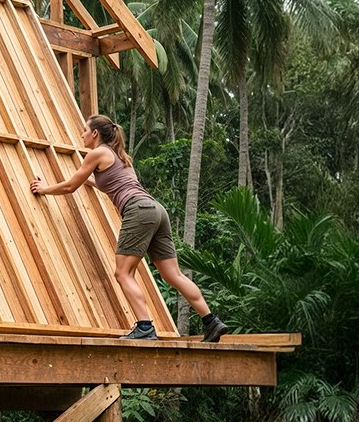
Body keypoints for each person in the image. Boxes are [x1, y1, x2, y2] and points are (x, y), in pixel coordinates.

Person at [30, 114, 229, 342]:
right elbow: (112, 185)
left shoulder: (98, 153)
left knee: (123, 273)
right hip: (155, 209)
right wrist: (88, 180)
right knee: (172, 274)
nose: (81, 134)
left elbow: (70, 187)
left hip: (138, 211)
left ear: (95, 133)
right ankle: (211, 321)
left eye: (84, 130)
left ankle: (144, 327)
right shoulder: (120, 157)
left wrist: (44, 188)